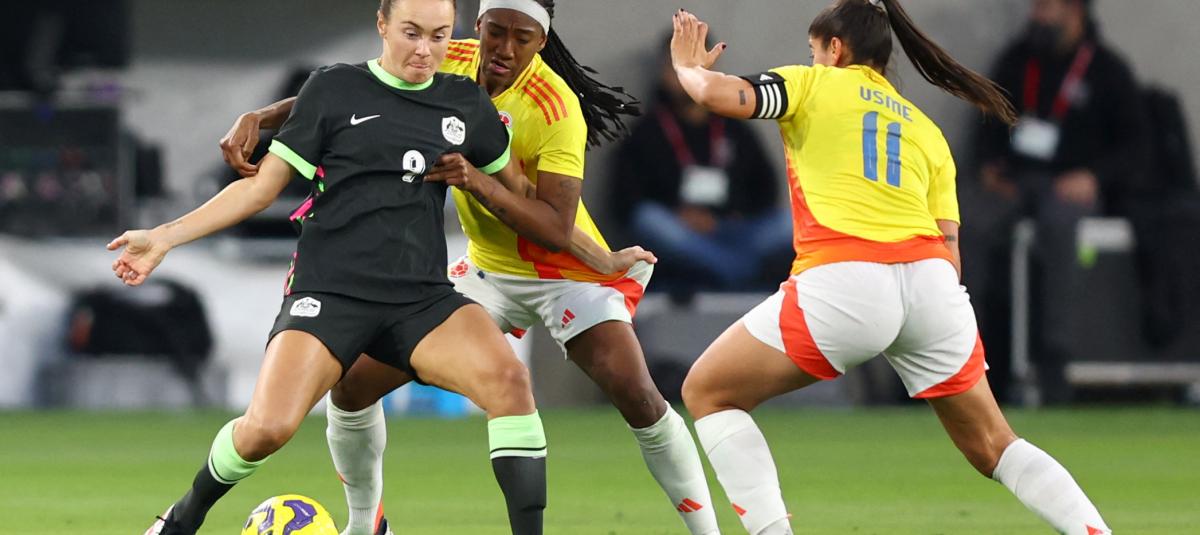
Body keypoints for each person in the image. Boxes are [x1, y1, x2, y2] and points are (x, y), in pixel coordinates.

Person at [220, 1, 721, 534]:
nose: (505, 48)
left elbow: (553, 227)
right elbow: (358, 94)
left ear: (542, 41)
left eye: (522, 37)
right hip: (486, 272)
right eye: (496, 32)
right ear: (476, 27)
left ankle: (706, 532)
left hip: (566, 274)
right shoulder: (447, 58)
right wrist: (263, 116)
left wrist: (477, 182)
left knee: (637, 394)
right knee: (351, 386)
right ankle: (366, 526)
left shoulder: (555, 108)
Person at [669, 2, 1111, 534]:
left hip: (844, 278)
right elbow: (950, 248)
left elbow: (716, 95)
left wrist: (687, 67)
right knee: (995, 445)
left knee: (709, 392)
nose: (810, 59)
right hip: (932, 287)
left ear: (835, 49)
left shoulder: (811, 84)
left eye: (814, 51)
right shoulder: (926, 131)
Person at [123, 1, 561, 533]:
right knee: (267, 428)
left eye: (440, 35)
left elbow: (523, 198)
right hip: (329, 293)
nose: (425, 50)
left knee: (510, 380)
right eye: (411, 32)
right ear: (381, 25)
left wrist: (602, 259)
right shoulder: (334, 89)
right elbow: (261, 188)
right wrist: (163, 237)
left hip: (421, 299)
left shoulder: (464, 102)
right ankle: (181, 519)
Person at [966, 0, 1147, 404]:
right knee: (971, 226)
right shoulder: (1017, 59)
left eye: (1047, 7)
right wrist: (989, 167)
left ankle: (1055, 362)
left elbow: (1136, 147)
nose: (1037, 16)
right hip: (1015, 183)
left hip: (1069, 188)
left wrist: (1094, 177)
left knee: (1061, 229)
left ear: (1075, 10)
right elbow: (984, 119)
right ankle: (965, 356)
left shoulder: (1107, 70)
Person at [610, 31, 790, 292]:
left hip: (732, 230)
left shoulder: (735, 128)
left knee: (788, 223)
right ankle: (738, 272)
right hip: (681, 233)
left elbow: (766, 188)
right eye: (681, 68)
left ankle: (725, 269)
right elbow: (627, 203)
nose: (690, 78)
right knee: (651, 221)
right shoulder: (647, 131)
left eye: (701, 67)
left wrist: (730, 217)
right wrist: (680, 215)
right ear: (665, 72)